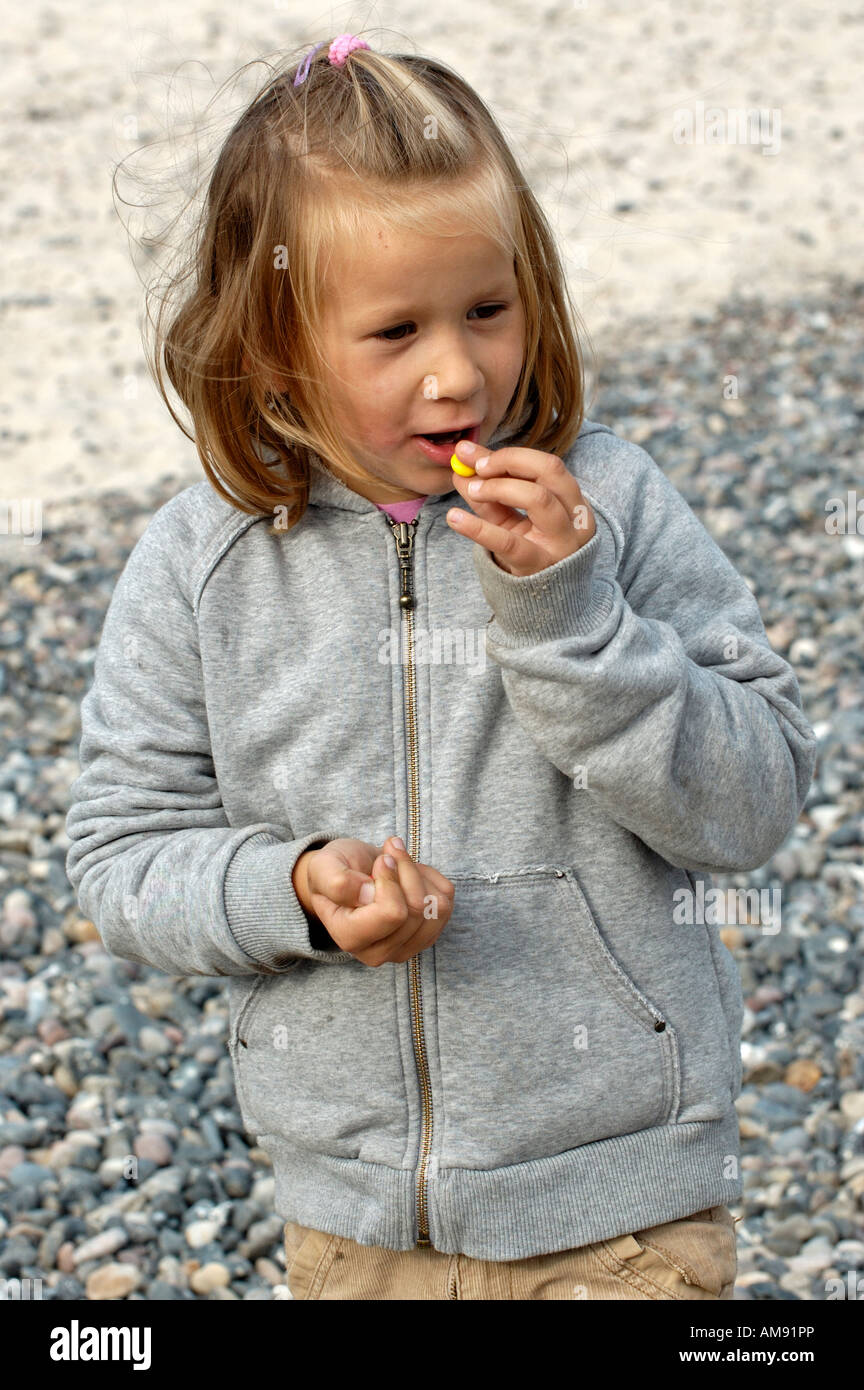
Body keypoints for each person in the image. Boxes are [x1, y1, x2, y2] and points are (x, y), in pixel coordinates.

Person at [65, 33, 817, 1300]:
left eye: (488, 310)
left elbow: (754, 800)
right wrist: (293, 889)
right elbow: (121, 856)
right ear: (275, 338)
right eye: (395, 330)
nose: (457, 372)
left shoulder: (613, 509)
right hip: (352, 1223)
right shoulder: (206, 561)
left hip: (622, 1207)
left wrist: (569, 615)